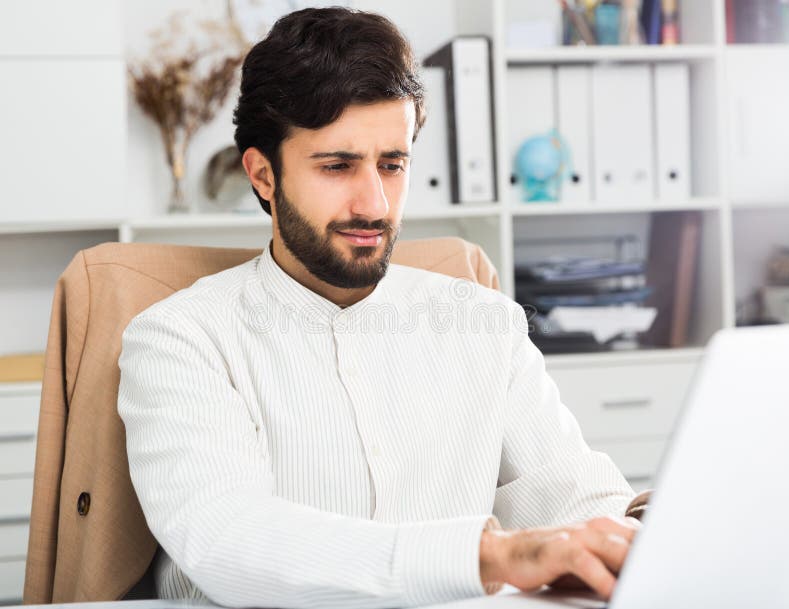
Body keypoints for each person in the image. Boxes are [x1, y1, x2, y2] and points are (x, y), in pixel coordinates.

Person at [117, 7, 647, 609]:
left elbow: (570, 494)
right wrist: (492, 557)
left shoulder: (485, 322)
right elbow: (227, 541)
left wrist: (642, 528)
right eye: (338, 166)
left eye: (392, 165)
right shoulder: (178, 337)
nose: (374, 203)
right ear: (263, 175)